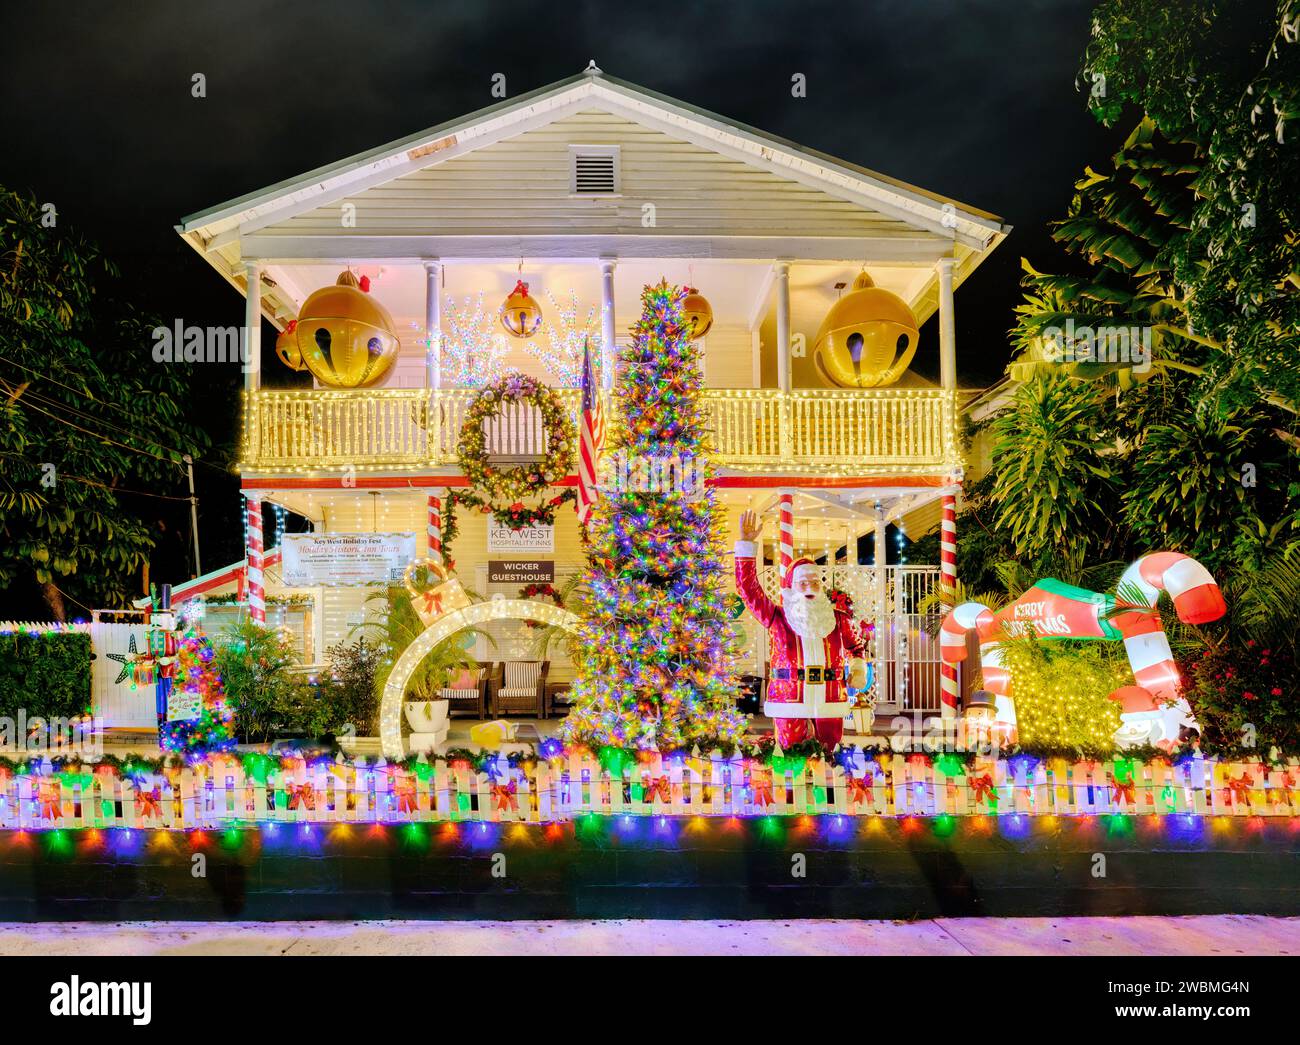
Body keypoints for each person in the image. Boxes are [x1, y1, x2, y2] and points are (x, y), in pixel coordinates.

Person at [734, 510, 867, 750]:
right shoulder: (777, 616)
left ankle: (827, 787)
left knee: (830, 753)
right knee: (790, 755)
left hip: (830, 697)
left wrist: (858, 667)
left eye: (815, 583)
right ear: (792, 588)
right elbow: (748, 590)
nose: (810, 588)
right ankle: (789, 787)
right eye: (803, 583)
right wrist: (746, 544)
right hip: (789, 697)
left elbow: (857, 646)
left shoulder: (837, 618)